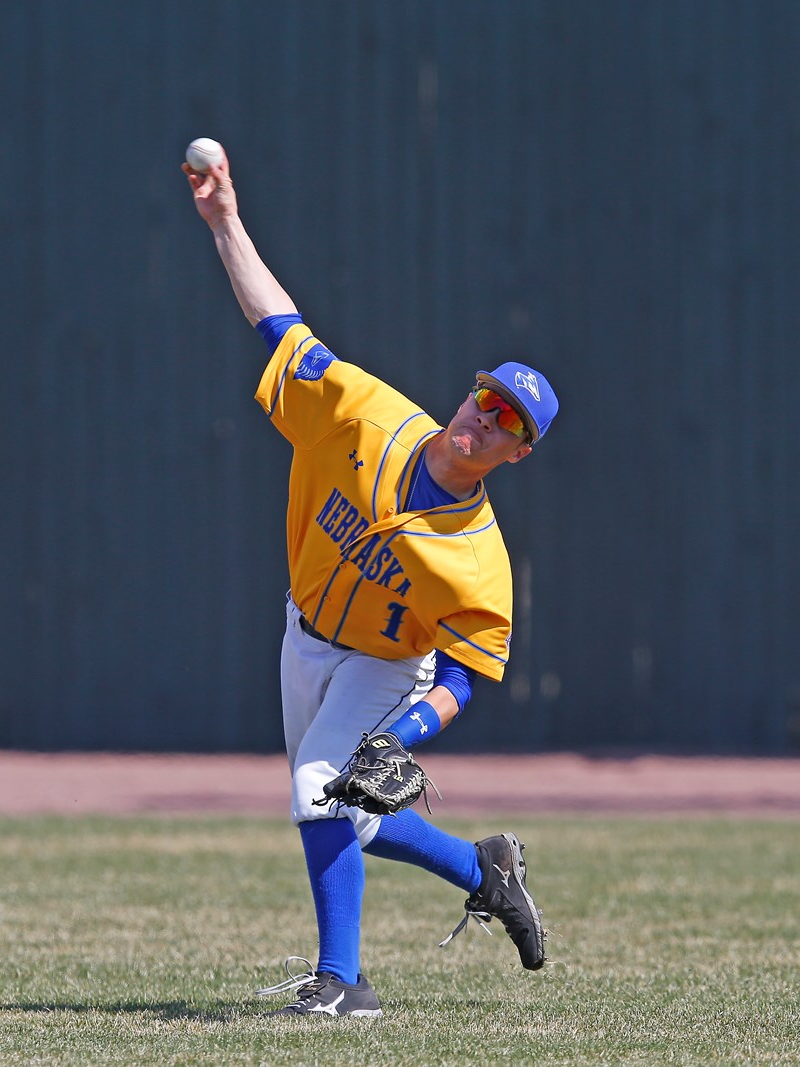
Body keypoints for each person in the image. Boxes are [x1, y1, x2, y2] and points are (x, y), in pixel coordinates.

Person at [183, 146, 558, 1020]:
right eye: (486, 396)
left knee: (320, 785)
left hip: (388, 665)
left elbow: (467, 671)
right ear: (466, 395)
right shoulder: (363, 413)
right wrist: (226, 222)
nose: (485, 417)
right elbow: (280, 326)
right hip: (303, 630)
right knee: (341, 811)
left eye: (508, 419)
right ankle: (486, 869)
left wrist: (415, 731)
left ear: (518, 452)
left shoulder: (478, 558)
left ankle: (342, 983)